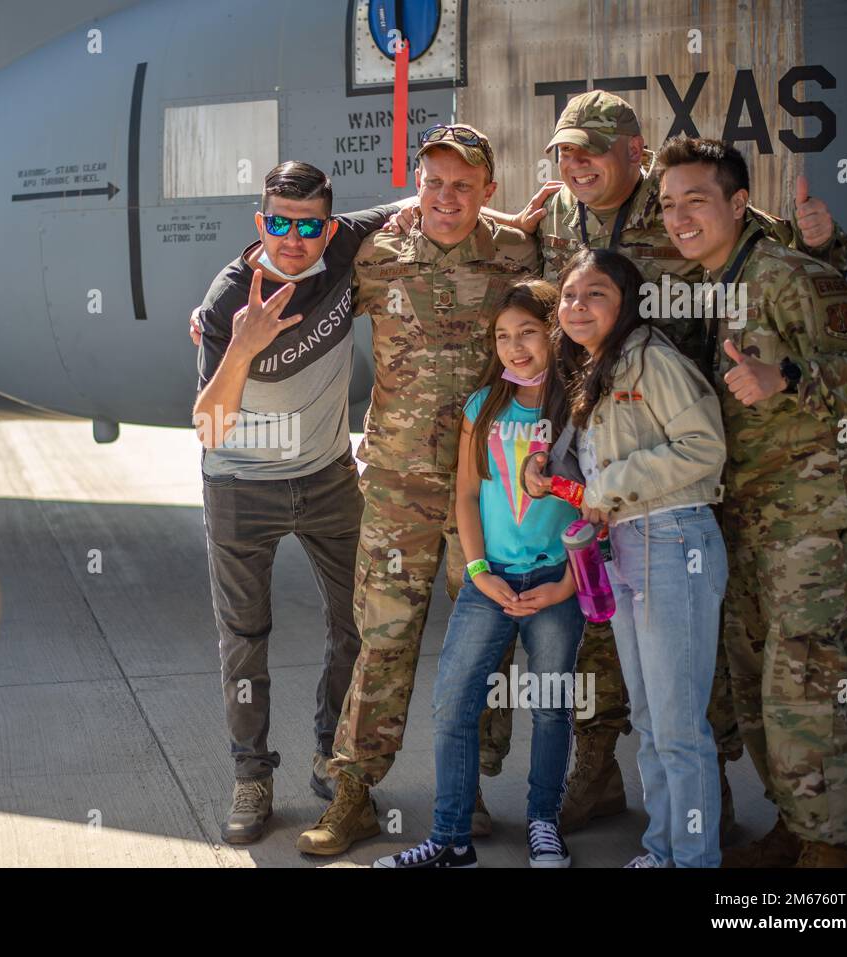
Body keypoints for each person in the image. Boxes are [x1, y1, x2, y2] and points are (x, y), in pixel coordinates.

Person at [477, 90, 847, 839]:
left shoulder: (682, 202)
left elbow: (779, 254)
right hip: (602, 442)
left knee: (691, 651)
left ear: (634, 149)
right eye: (566, 152)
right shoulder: (555, 215)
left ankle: (707, 799)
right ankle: (600, 771)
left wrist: (826, 243)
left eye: (592, 148)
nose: (576, 163)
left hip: (692, 445)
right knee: (602, 631)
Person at [296, 125, 538, 856]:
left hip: (486, 488)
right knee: (384, 639)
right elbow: (302, 274)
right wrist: (219, 326)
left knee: (485, 644)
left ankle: (468, 792)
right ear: (417, 184)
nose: (446, 197)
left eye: (463, 184)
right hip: (399, 483)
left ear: (488, 191)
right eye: (433, 182)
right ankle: (354, 791)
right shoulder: (383, 252)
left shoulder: (516, 253)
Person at [656, 136, 847, 867]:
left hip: (814, 513)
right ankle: (794, 823)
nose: (679, 216)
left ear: (737, 202)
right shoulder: (711, 282)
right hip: (746, 513)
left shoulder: (786, 274)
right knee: (753, 676)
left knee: (802, 678)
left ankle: (826, 843)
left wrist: (786, 376)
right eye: (668, 203)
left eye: (697, 199)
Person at [192, 161, 417, 844]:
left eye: (309, 224)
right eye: (280, 223)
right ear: (262, 222)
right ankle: (251, 775)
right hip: (240, 486)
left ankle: (331, 751)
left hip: (324, 477)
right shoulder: (232, 296)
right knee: (245, 641)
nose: (295, 238)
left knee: (357, 619)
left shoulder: (342, 246)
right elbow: (207, 423)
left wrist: (535, 206)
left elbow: (428, 198)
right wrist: (244, 347)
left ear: (328, 223)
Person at [375, 279, 584, 868]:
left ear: (554, 335)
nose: (515, 348)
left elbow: (600, 504)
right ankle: (449, 838)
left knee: (550, 706)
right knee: (454, 704)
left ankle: (545, 823)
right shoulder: (483, 406)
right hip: (489, 581)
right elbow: (465, 497)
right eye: (502, 336)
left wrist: (568, 581)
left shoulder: (576, 406)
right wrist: (476, 571)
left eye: (529, 334)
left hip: (555, 582)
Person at [534, 247, 728, 867]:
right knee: (649, 717)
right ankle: (663, 851)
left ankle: (694, 860)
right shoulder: (592, 368)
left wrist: (606, 487)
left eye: (595, 295)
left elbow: (703, 448)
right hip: (626, 544)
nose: (577, 306)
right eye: (568, 295)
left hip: (673, 540)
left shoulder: (652, 359)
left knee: (678, 726)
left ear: (625, 303)